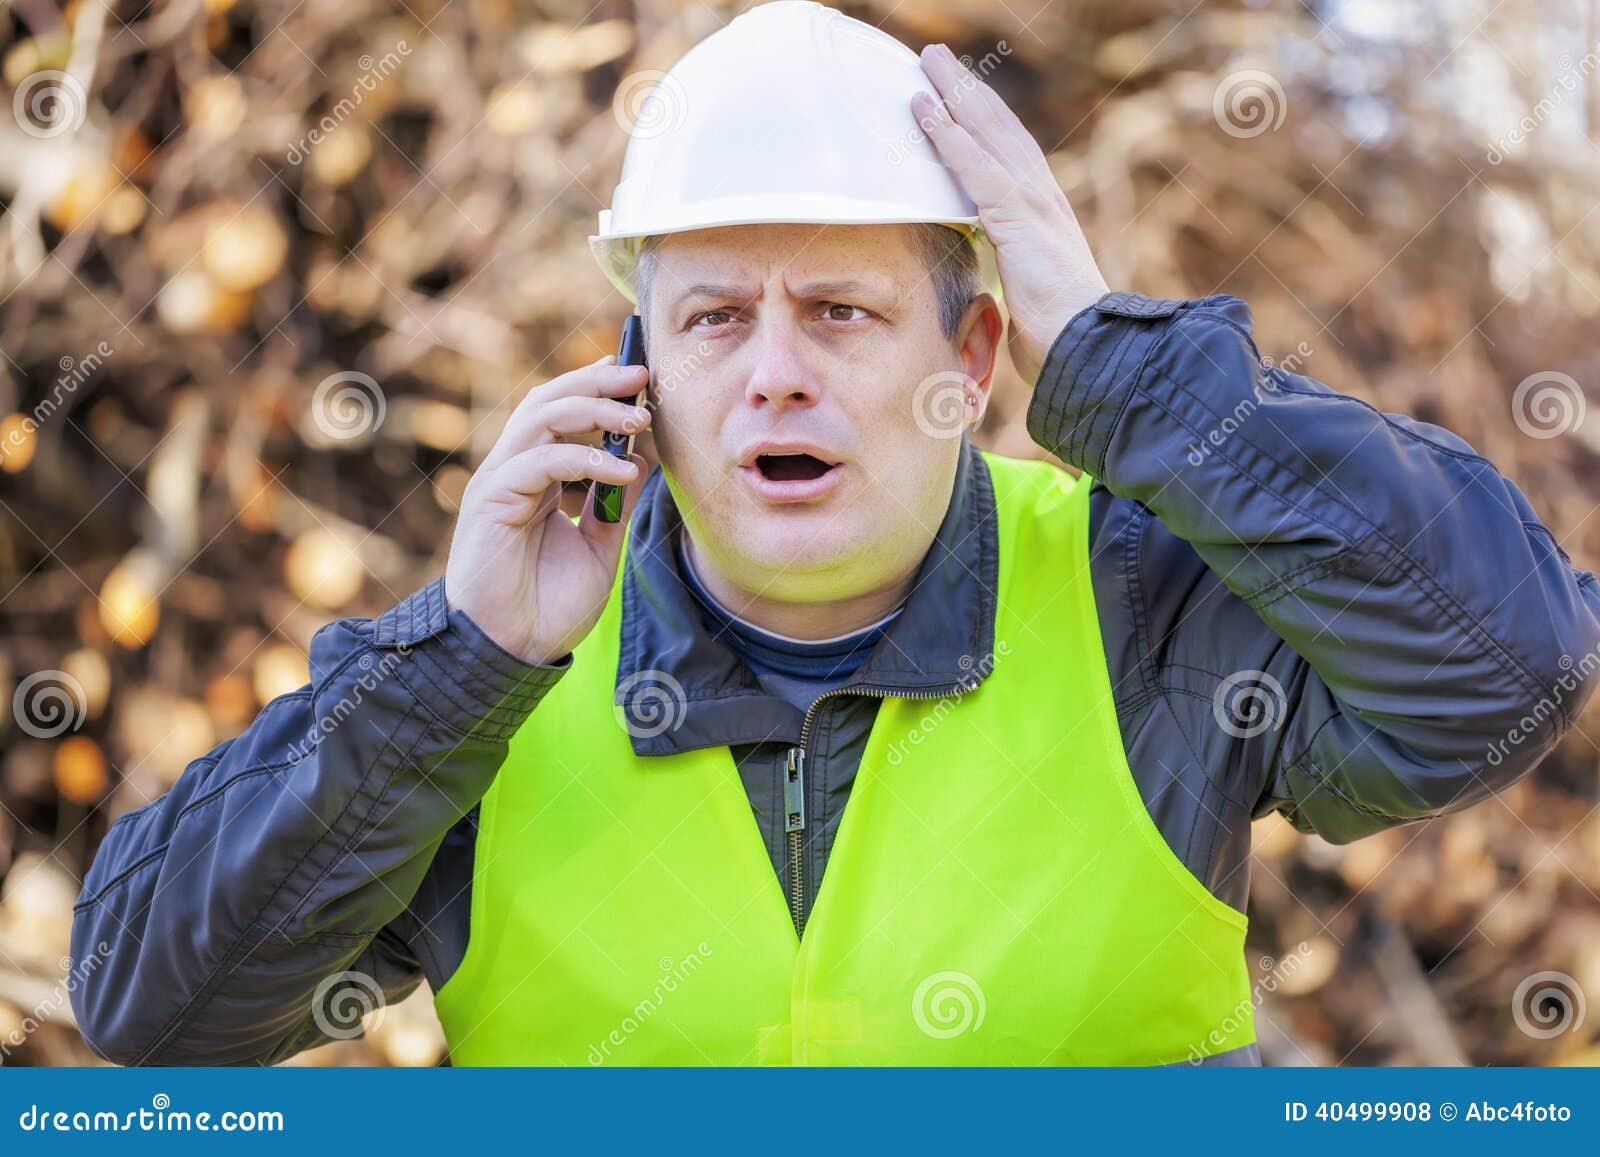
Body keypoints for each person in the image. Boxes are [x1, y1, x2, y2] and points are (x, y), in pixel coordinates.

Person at [71, 2, 1600, 1066]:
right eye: (716, 318)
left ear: (974, 351)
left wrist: (1129, 374)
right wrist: (453, 668)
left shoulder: (1141, 602)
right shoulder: (494, 678)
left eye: (843, 312)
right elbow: (155, 1013)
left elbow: (1508, 665)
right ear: (637, 373)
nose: (775, 369)